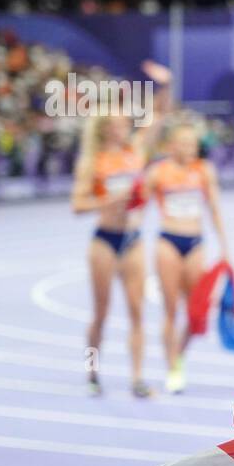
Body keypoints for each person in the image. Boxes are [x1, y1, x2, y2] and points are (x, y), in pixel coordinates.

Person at [143, 123, 229, 393]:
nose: (188, 149)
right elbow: (139, 204)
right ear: (171, 146)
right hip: (168, 241)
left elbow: (214, 208)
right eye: (182, 143)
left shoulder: (204, 170)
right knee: (170, 309)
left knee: (195, 311)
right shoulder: (158, 172)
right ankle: (171, 367)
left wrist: (225, 246)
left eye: (192, 144)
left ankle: (178, 354)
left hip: (195, 242)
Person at [70, 115, 151, 397]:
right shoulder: (92, 161)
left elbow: (159, 118)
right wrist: (109, 201)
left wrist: (165, 85)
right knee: (101, 313)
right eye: (117, 124)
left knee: (137, 311)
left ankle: (138, 378)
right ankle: (92, 374)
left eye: (126, 123)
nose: (124, 128)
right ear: (105, 129)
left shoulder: (135, 153)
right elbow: (77, 205)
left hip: (133, 238)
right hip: (104, 239)